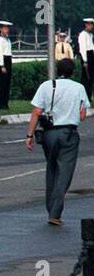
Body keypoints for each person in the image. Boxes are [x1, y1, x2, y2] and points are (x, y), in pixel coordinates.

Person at [25, 58, 88, 227]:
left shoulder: (46, 86)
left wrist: (29, 135)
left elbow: (36, 112)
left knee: (51, 168)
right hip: (69, 133)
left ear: (57, 71)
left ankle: (50, 207)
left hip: (49, 134)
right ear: (73, 72)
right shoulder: (79, 88)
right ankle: (55, 212)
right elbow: (82, 115)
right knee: (65, 173)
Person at [0, 21, 14, 110]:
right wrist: (2, 66)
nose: (7, 30)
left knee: (7, 84)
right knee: (1, 84)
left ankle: (5, 104)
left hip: (8, 60)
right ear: (1, 29)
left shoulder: (8, 40)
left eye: (8, 28)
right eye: (5, 28)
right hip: (3, 62)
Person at [79, 18, 94, 97]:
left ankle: (89, 95)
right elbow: (83, 48)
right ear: (86, 25)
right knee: (86, 78)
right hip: (86, 56)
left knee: (91, 78)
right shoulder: (82, 34)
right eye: (90, 25)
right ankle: (84, 96)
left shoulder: (90, 35)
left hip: (91, 55)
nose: (91, 27)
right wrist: (85, 61)